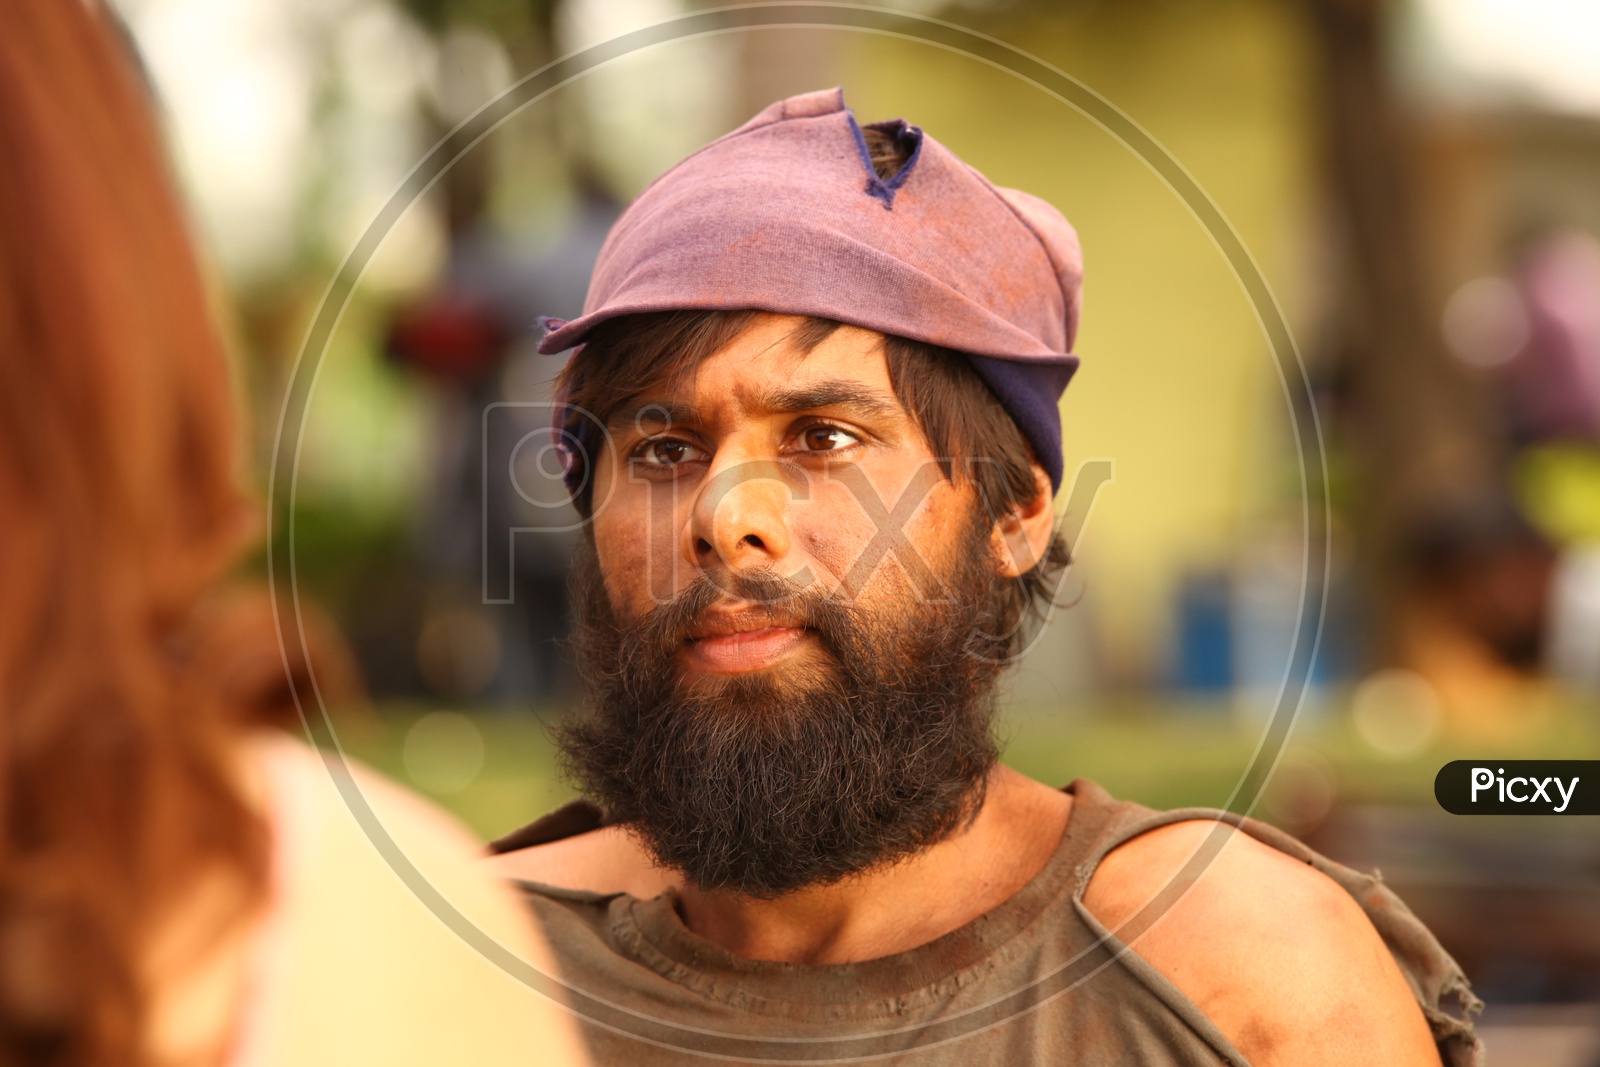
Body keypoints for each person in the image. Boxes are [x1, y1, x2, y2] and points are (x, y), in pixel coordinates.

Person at [487, 88, 1483, 1065]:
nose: (725, 519)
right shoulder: (462, 964)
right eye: (662, 453)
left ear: (1014, 513)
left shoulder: (1242, 979)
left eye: (823, 437)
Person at [0, 2, 589, 1064]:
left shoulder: (519, 256)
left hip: (526, 484)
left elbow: (429, 341)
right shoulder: (360, 924)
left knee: (529, 630)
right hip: (538, 485)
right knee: (543, 633)